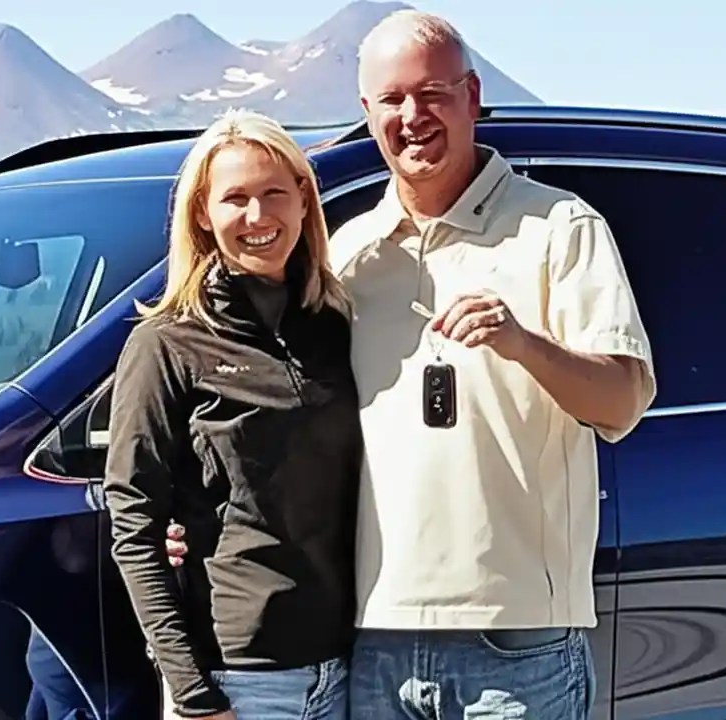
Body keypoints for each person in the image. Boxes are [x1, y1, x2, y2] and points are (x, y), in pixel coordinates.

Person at [168, 9, 656, 719]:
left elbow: (621, 403)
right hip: (372, 633)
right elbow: (280, 415)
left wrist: (521, 342)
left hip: (514, 638)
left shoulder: (559, 228)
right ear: (368, 113)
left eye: (432, 94)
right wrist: (191, 517)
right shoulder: (347, 255)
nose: (412, 116)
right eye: (392, 100)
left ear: (473, 97)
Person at [103, 108, 362, 720]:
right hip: (239, 680)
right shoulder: (166, 343)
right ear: (202, 213)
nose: (257, 217)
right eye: (235, 198)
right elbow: (134, 523)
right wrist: (192, 694)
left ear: (304, 199)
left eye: (275, 193)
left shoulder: (336, 327)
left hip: (353, 667)